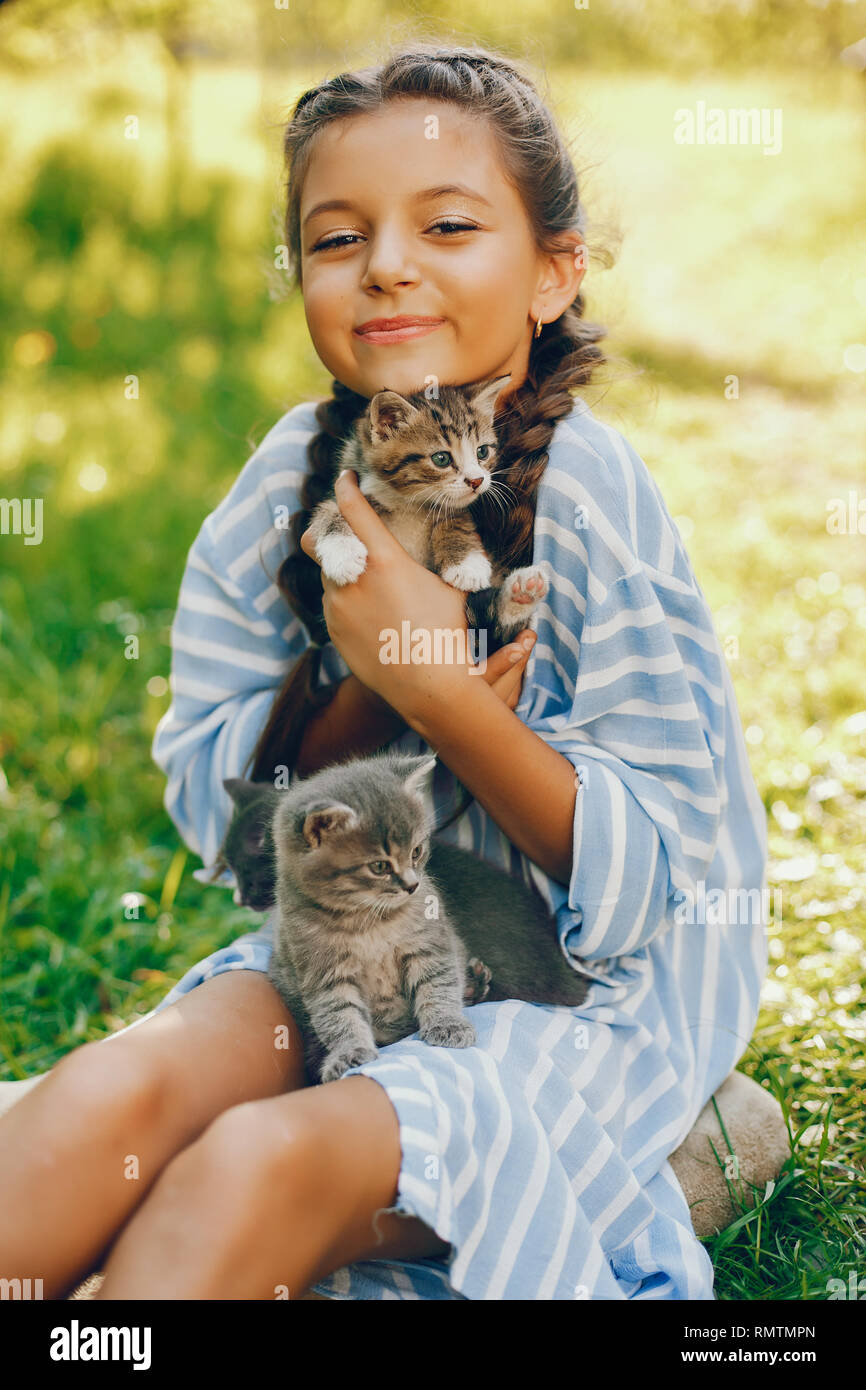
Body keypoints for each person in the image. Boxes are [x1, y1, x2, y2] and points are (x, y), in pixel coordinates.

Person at [0, 42, 773, 1300]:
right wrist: (365, 677)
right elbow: (245, 835)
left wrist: (440, 696)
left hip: (575, 993)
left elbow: (639, 891)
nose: (386, 265)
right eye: (334, 238)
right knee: (122, 1090)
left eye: (447, 225)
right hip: (350, 947)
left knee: (258, 1159)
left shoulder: (586, 493)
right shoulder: (289, 477)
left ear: (551, 272)